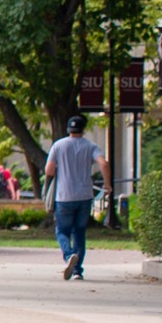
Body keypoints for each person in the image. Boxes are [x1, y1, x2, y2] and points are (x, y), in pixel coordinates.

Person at [43, 115, 106, 281]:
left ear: (68, 129)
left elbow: (49, 170)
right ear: (83, 129)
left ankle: (69, 255)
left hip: (63, 196)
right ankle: (77, 271)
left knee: (62, 230)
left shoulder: (58, 145)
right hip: (84, 195)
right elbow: (103, 163)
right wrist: (107, 185)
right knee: (79, 232)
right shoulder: (90, 146)